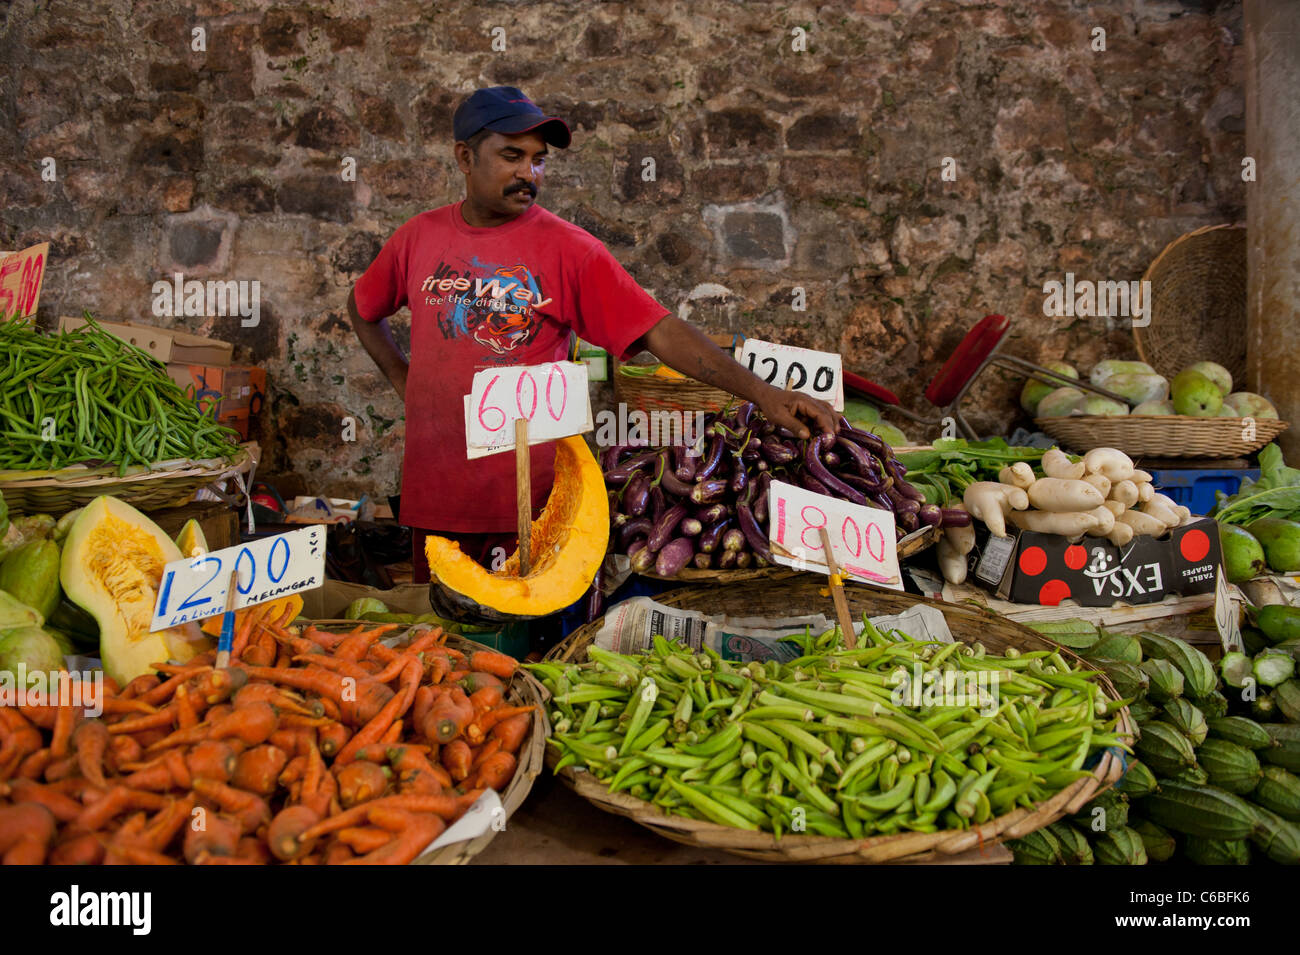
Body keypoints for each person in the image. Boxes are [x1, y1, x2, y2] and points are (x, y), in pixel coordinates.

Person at [349, 86, 836, 582]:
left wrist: (764, 393)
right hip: (436, 492)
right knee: (442, 644)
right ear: (464, 157)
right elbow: (363, 306)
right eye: (511, 156)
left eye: (538, 160)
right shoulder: (418, 237)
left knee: (522, 643)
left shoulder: (569, 249)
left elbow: (658, 330)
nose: (528, 173)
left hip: (529, 501)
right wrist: (401, 379)